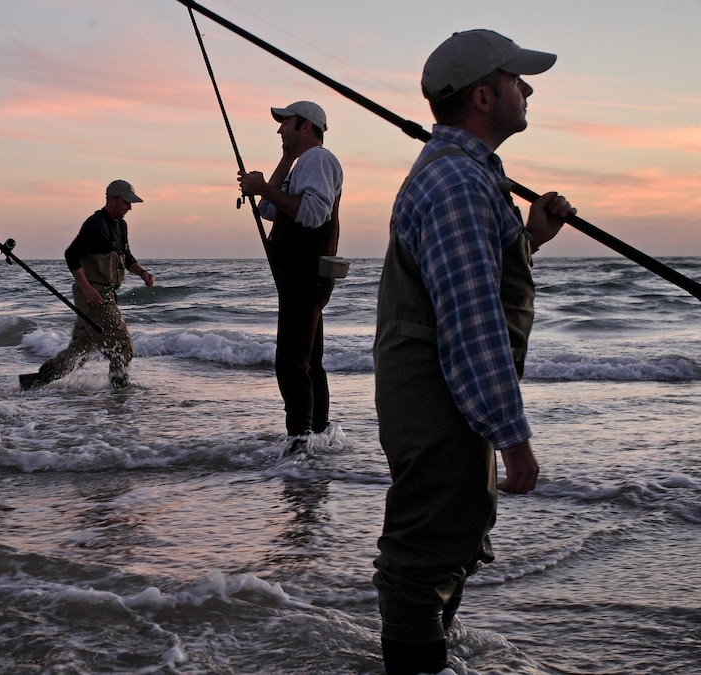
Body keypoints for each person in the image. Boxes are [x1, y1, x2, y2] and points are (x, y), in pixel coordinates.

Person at [371, 30, 576, 675]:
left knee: (446, 543)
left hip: (444, 398)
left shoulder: (459, 175)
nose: (529, 89)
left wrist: (526, 240)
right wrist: (512, 436)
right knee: (424, 557)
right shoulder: (458, 182)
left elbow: (462, 279)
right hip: (442, 402)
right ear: (484, 96)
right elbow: (471, 322)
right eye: (518, 80)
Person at [238, 101, 343, 453]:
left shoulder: (317, 160)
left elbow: (313, 213)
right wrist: (274, 174)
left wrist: (264, 188)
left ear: (306, 125)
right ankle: (320, 435)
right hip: (301, 277)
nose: (280, 129)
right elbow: (270, 209)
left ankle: (299, 443)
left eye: (286, 123)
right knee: (309, 361)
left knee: (291, 362)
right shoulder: (301, 164)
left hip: (305, 275)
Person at [19, 179, 155, 391]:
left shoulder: (121, 225)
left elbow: (126, 257)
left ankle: (33, 383)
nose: (129, 207)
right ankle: (120, 396)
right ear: (112, 199)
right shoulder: (95, 224)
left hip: (103, 295)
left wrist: (142, 273)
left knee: (80, 349)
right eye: (126, 203)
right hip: (95, 297)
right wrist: (86, 287)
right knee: (122, 347)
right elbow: (71, 254)